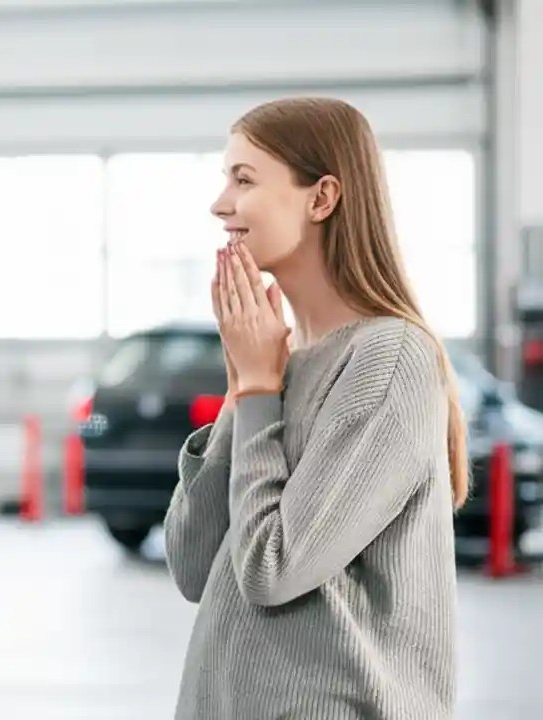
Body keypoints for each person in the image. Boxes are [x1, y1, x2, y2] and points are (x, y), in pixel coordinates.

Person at [163, 96, 467, 720]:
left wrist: (255, 390)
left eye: (243, 179)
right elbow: (194, 566)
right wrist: (248, 382)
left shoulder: (389, 359)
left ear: (321, 198)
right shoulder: (276, 361)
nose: (220, 204)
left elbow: (272, 569)